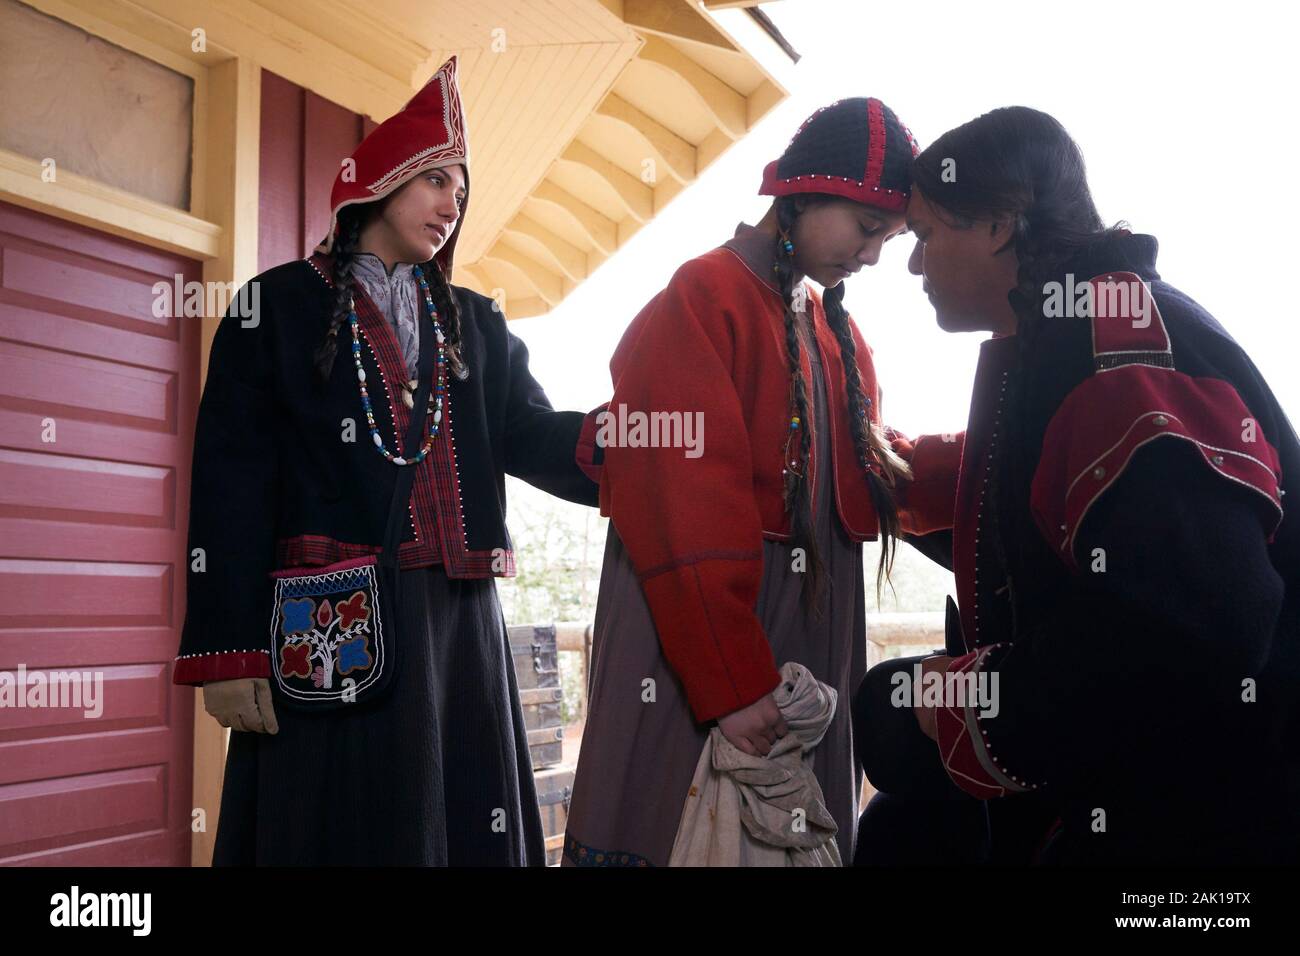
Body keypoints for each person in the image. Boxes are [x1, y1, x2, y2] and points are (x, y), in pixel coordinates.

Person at [172, 57, 600, 865]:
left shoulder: (475, 323)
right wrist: (227, 652)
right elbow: (230, 487)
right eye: (436, 180)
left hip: (456, 631)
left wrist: (636, 441)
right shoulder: (276, 308)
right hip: (326, 625)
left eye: (462, 193)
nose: (452, 204)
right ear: (381, 180)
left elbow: (534, 435)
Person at [865, 105, 1299, 864]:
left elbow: (1195, 625)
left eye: (927, 235)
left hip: (1198, 834)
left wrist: (961, 703)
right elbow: (1059, 513)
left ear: (1000, 224)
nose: (911, 263)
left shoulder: (1119, 349)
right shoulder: (1074, 335)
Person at [562, 98, 963, 866]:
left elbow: (876, 471)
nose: (876, 255)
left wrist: (995, 462)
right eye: (867, 227)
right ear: (805, 194)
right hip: (703, 664)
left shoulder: (833, 334)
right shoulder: (702, 300)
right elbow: (682, 505)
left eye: (893, 235)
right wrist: (733, 682)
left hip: (798, 652)